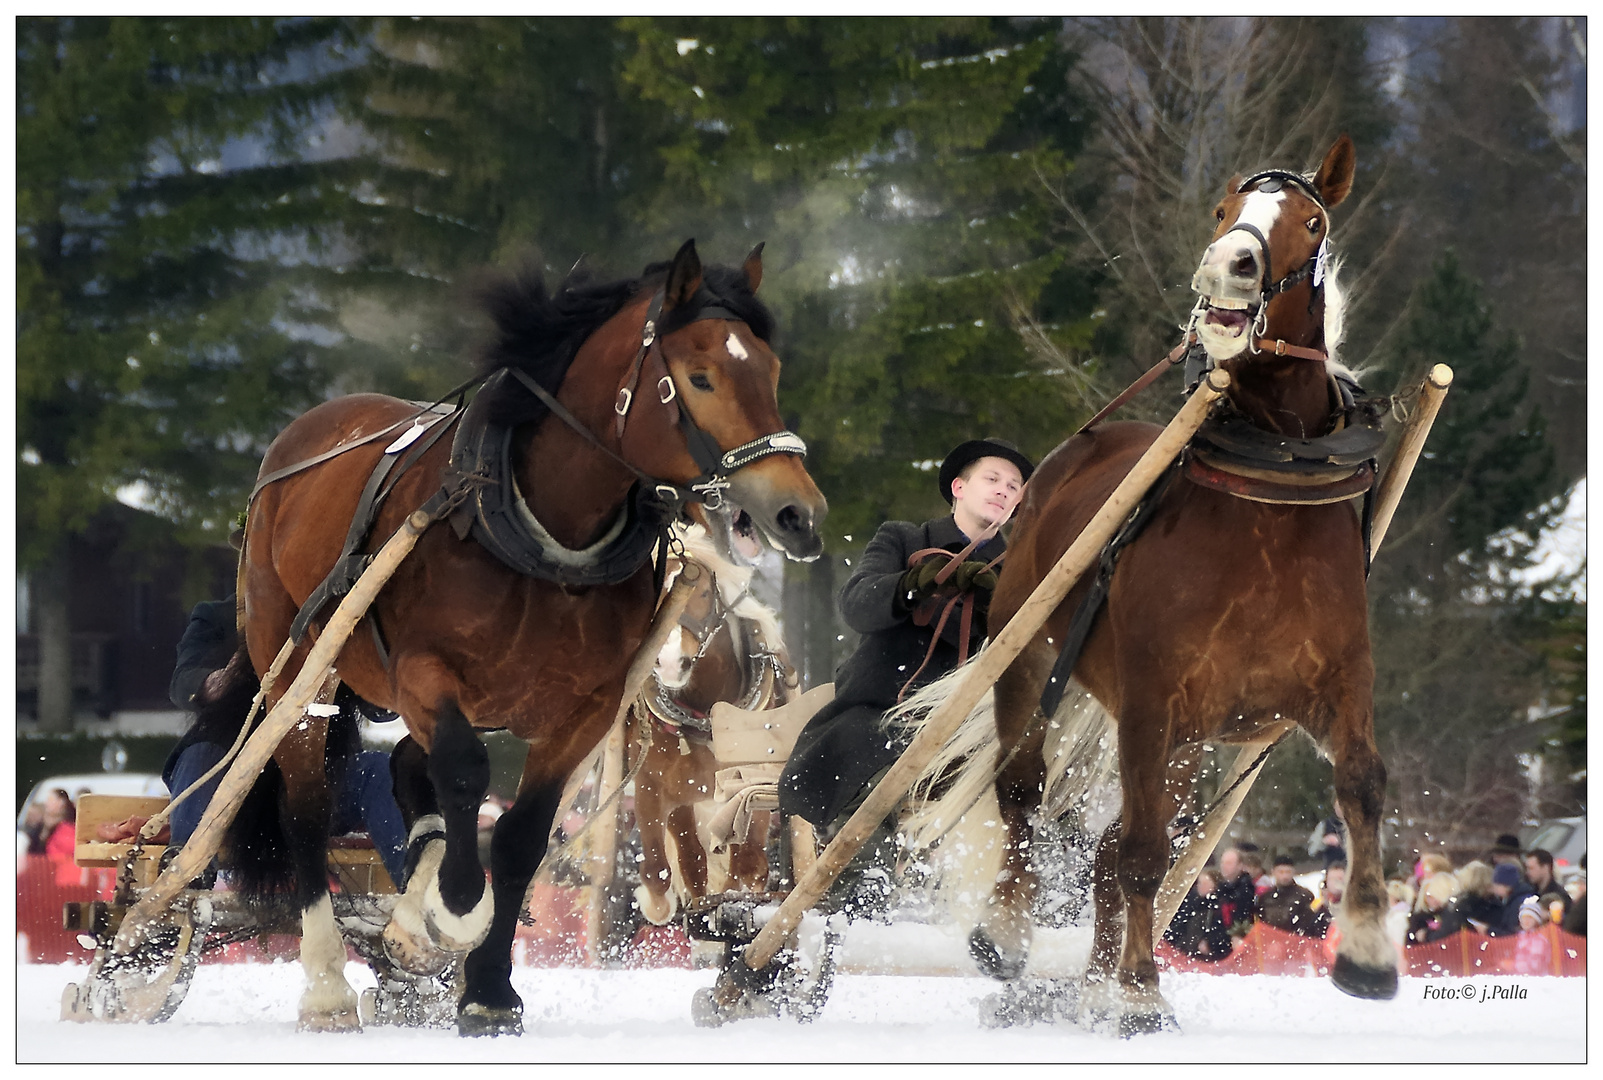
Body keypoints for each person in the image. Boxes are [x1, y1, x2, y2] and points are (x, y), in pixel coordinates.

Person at [778, 437, 1034, 916]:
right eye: (992, 479)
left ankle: (1023, 906)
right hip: (880, 710)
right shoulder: (903, 539)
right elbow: (857, 606)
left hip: (972, 729)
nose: (1003, 490)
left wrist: (998, 605)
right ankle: (851, 887)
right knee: (866, 754)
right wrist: (913, 585)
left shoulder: (1023, 566)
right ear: (959, 487)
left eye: (1014, 486)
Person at [162, 592, 410, 889]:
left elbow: (381, 710)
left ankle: (413, 875)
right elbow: (182, 680)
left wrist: (378, 679)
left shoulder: (347, 617)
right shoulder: (218, 615)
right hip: (232, 790)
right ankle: (187, 864)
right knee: (199, 757)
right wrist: (212, 682)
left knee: (379, 770)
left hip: (321, 786)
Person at [1165, 868, 1233, 961]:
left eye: (1204, 884)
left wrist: (1209, 942)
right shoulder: (1192, 903)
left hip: (1209, 955)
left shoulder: (1217, 906)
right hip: (1188, 951)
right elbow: (1181, 924)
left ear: (1214, 886)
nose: (1200, 887)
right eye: (1199, 883)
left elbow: (1221, 928)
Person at [1257, 854, 1323, 938]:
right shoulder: (1265, 898)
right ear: (1273, 872)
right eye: (1281, 872)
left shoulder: (1304, 895)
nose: (1284, 876)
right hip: (1270, 942)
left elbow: (1308, 923)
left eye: (1288, 872)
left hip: (1295, 941)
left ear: (1293, 872)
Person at [1482, 861, 1537, 937]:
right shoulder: (1511, 900)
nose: (1495, 888)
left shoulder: (1520, 903)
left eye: (1497, 884)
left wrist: (1488, 930)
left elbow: (1512, 933)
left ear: (1505, 884)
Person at [1408, 872, 1464, 944]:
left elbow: (1445, 934)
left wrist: (1427, 935)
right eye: (1429, 896)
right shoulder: (1418, 917)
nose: (1434, 899)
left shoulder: (1450, 911)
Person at [1217, 847, 1258, 933]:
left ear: (1240, 866)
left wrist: (1237, 934)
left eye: (1229, 863)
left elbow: (1244, 919)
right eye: (1222, 863)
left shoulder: (1246, 889)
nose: (1224, 866)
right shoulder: (1219, 889)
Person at [1509, 896, 1552, 975]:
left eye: (1530, 918)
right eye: (1523, 918)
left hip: (1535, 978)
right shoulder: (1518, 937)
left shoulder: (1540, 939)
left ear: (1536, 920)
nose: (1526, 921)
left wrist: (1513, 966)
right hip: (1518, 976)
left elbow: (1536, 964)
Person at [1524, 848, 1571, 920]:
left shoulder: (1560, 896)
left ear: (1546, 867)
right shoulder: (1530, 892)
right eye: (1527, 868)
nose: (1528, 872)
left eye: (1531, 868)